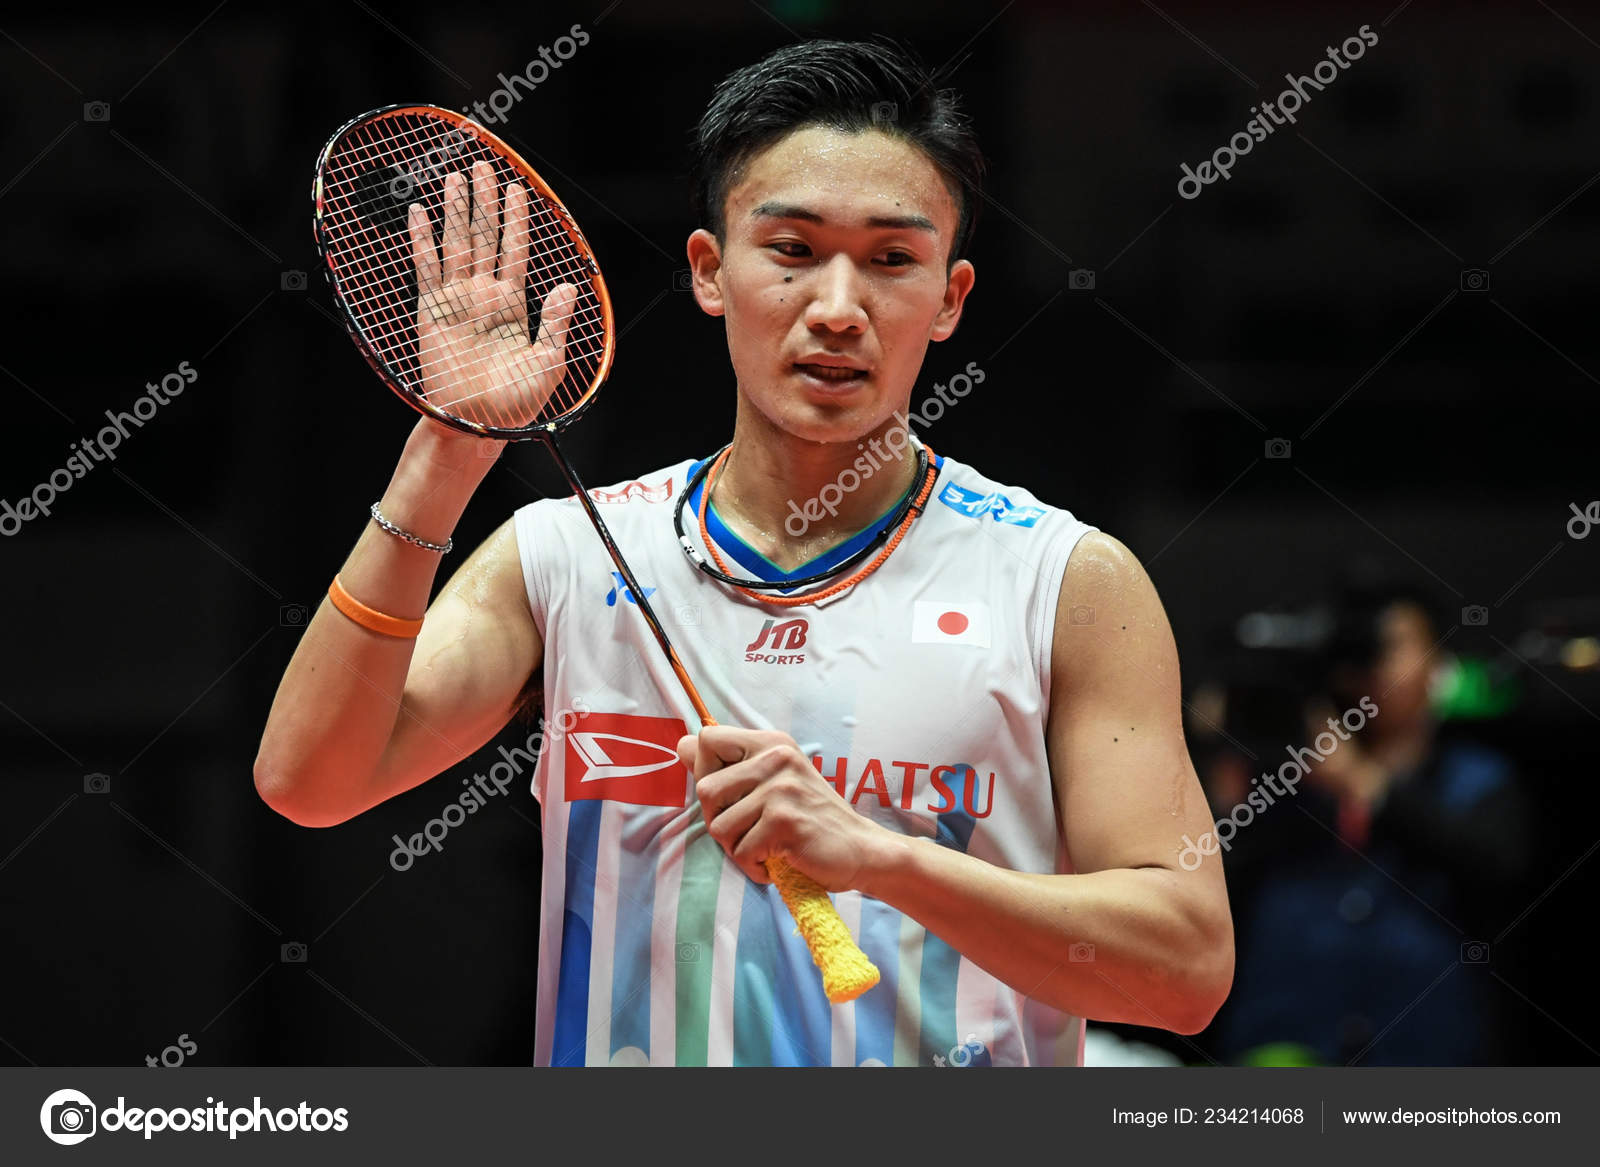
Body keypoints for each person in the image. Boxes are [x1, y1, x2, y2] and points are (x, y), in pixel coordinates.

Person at [253, 37, 1233, 1067]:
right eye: (793, 250)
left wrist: (878, 861)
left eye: (893, 260)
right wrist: (448, 446)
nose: (839, 307)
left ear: (949, 297)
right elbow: (311, 780)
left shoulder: (1065, 583)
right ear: (710, 273)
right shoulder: (565, 559)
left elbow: (1185, 971)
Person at [1204, 580, 1533, 1064]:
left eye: (1393, 645)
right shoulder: (1285, 776)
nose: (1375, 667)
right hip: (1279, 1045)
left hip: (1426, 1054)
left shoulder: (1480, 778)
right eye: (1362, 649)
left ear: (1439, 665)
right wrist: (1225, 760)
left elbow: (1498, 874)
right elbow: (1212, 875)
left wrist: (1360, 780)